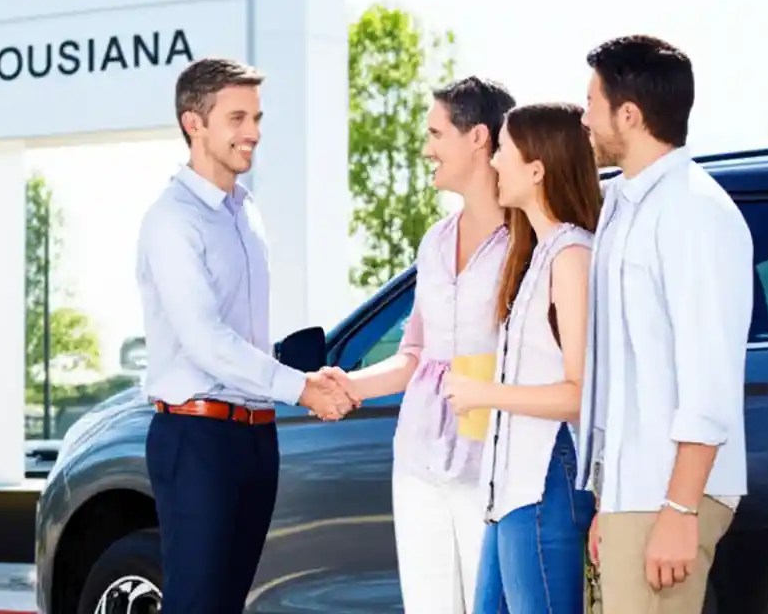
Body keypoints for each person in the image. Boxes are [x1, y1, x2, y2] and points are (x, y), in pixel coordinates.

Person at [135, 57, 355, 612]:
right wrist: (301, 387)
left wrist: (297, 375)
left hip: (255, 437)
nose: (253, 132)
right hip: (197, 439)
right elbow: (206, 340)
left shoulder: (245, 211)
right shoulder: (172, 220)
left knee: (229, 604)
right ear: (194, 122)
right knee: (196, 603)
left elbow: (244, 334)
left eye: (256, 117)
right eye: (237, 117)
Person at [324, 76, 516, 613]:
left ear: (477, 138)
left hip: (493, 462)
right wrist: (345, 384)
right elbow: (414, 355)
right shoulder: (435, 240)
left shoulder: (525, 240)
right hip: (419, 459)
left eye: (436, 133)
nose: (427, 147)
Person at [575, 35, 753, 613]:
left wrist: (679, 510)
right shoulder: (626, 206)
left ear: (629, 114)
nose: (585, 118)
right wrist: (610, 500)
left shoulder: (693, 210)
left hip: (670, 495)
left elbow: (709, 373)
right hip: (635, 494)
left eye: (592, 103)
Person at [442, 102, 601, 612]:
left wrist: (483, 393)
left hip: (544, 483)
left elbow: (581, 395)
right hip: (509, 492)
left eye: (503, 151)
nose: (493, 163)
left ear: (536, 169)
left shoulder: (572, 258)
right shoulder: (538, 256)